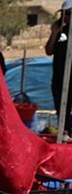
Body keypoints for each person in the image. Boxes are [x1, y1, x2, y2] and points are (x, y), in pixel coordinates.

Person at [46, 0, 72, 132]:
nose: (65, 17)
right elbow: (49, 51)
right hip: (59, 80)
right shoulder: (61, 32)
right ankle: (65, 133)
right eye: (64, 14)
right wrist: (54, 32)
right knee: (62, 112)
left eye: (68, 14)